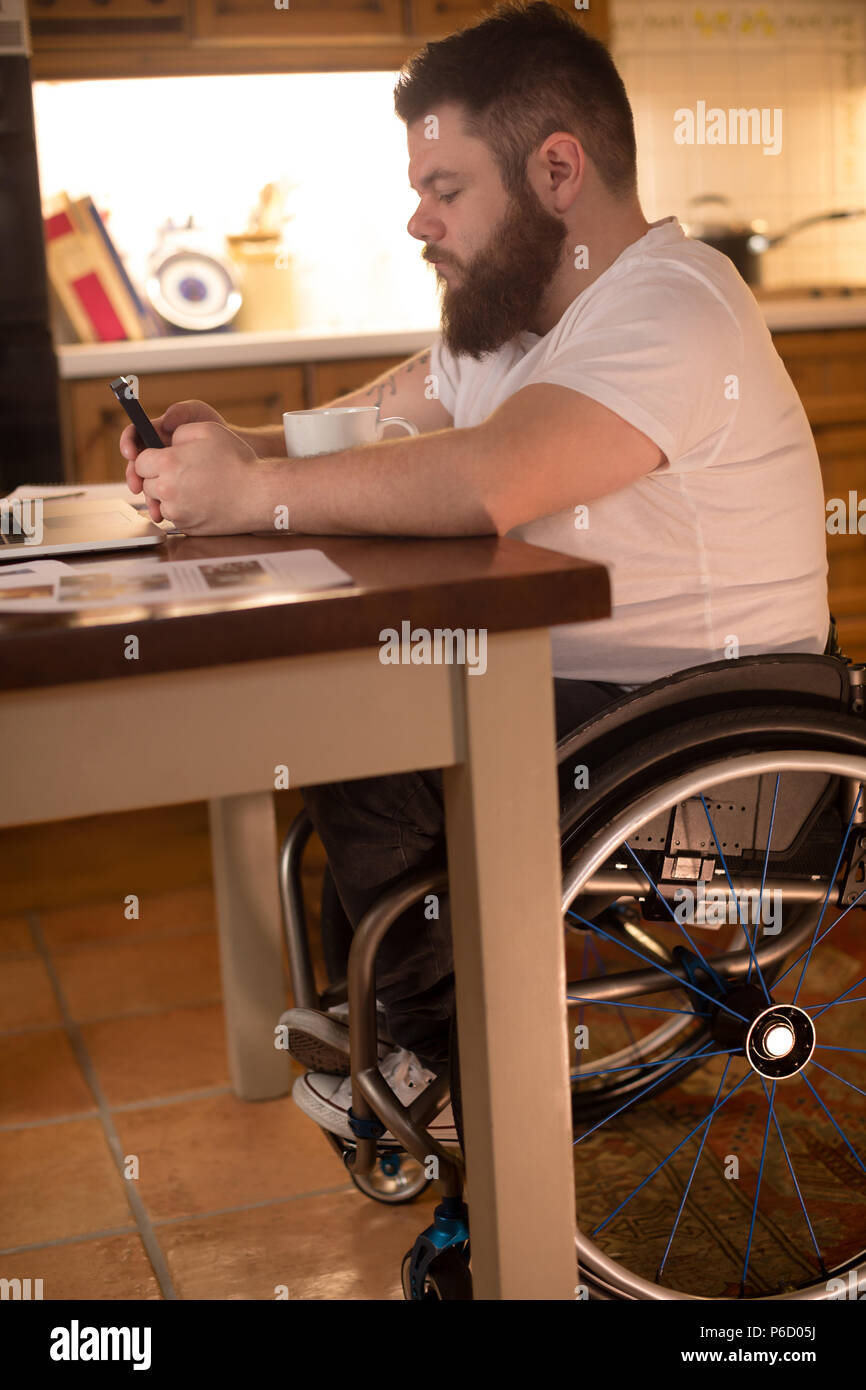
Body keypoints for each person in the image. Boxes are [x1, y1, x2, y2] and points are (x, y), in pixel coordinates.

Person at [120, 2, 830, 1142]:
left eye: (445, 186)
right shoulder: (512, 320)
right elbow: (381, 426)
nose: (415, 218)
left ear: (557, 168)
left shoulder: (668, 307)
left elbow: (489, 478)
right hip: (587, 711)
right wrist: (235, 448)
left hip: (701, 747)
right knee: (355, 691)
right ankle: (401, 1031)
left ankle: (443, 1061)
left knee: (360, 704)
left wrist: (248, 499)